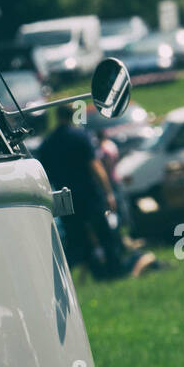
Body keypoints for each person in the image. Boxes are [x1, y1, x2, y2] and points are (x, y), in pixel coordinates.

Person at [36, 104, 124, 278]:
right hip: (89, 194)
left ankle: (96, 272)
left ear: (57, 116)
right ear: (72, 116)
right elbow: (95, 166)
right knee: (104, 234)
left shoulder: (48, 142)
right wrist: (108, 192)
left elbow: (45, 174)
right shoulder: (80, 136)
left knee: (79, 238)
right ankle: (114, 270)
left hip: (66, 199)